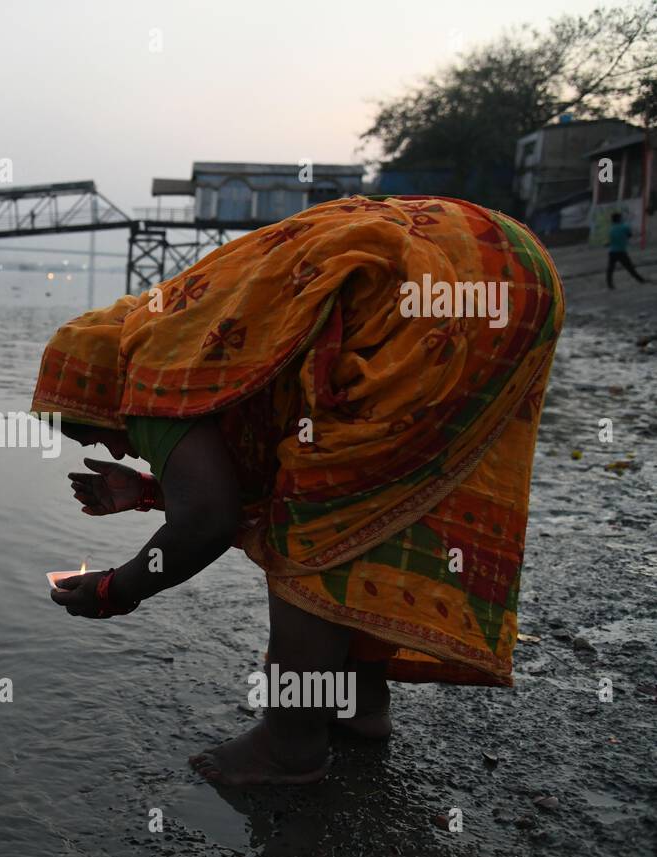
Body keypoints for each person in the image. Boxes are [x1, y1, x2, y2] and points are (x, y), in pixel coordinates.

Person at [32, 195, 564, 786]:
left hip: (431, 292)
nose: (111, 447)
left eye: (87, 427)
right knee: (359, 515)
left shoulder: (145, 372)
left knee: (306, 543)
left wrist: (114, 589)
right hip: (504, 269)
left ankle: (290, 745)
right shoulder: (178, 329)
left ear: (97, 384)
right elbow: (264, 473)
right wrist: (154, 492)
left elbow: (209, 519)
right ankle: (357, 701)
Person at [606, 211, 646, 289]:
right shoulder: (624, 227)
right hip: (621, 251)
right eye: (620, 217)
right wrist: (640, 234)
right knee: (630, 267)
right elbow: (629, 235)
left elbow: (611, 241)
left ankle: (610, 284)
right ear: (618, 219)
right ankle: (640, 280)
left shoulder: (611, 229)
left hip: (612, 252)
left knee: (610, 269)